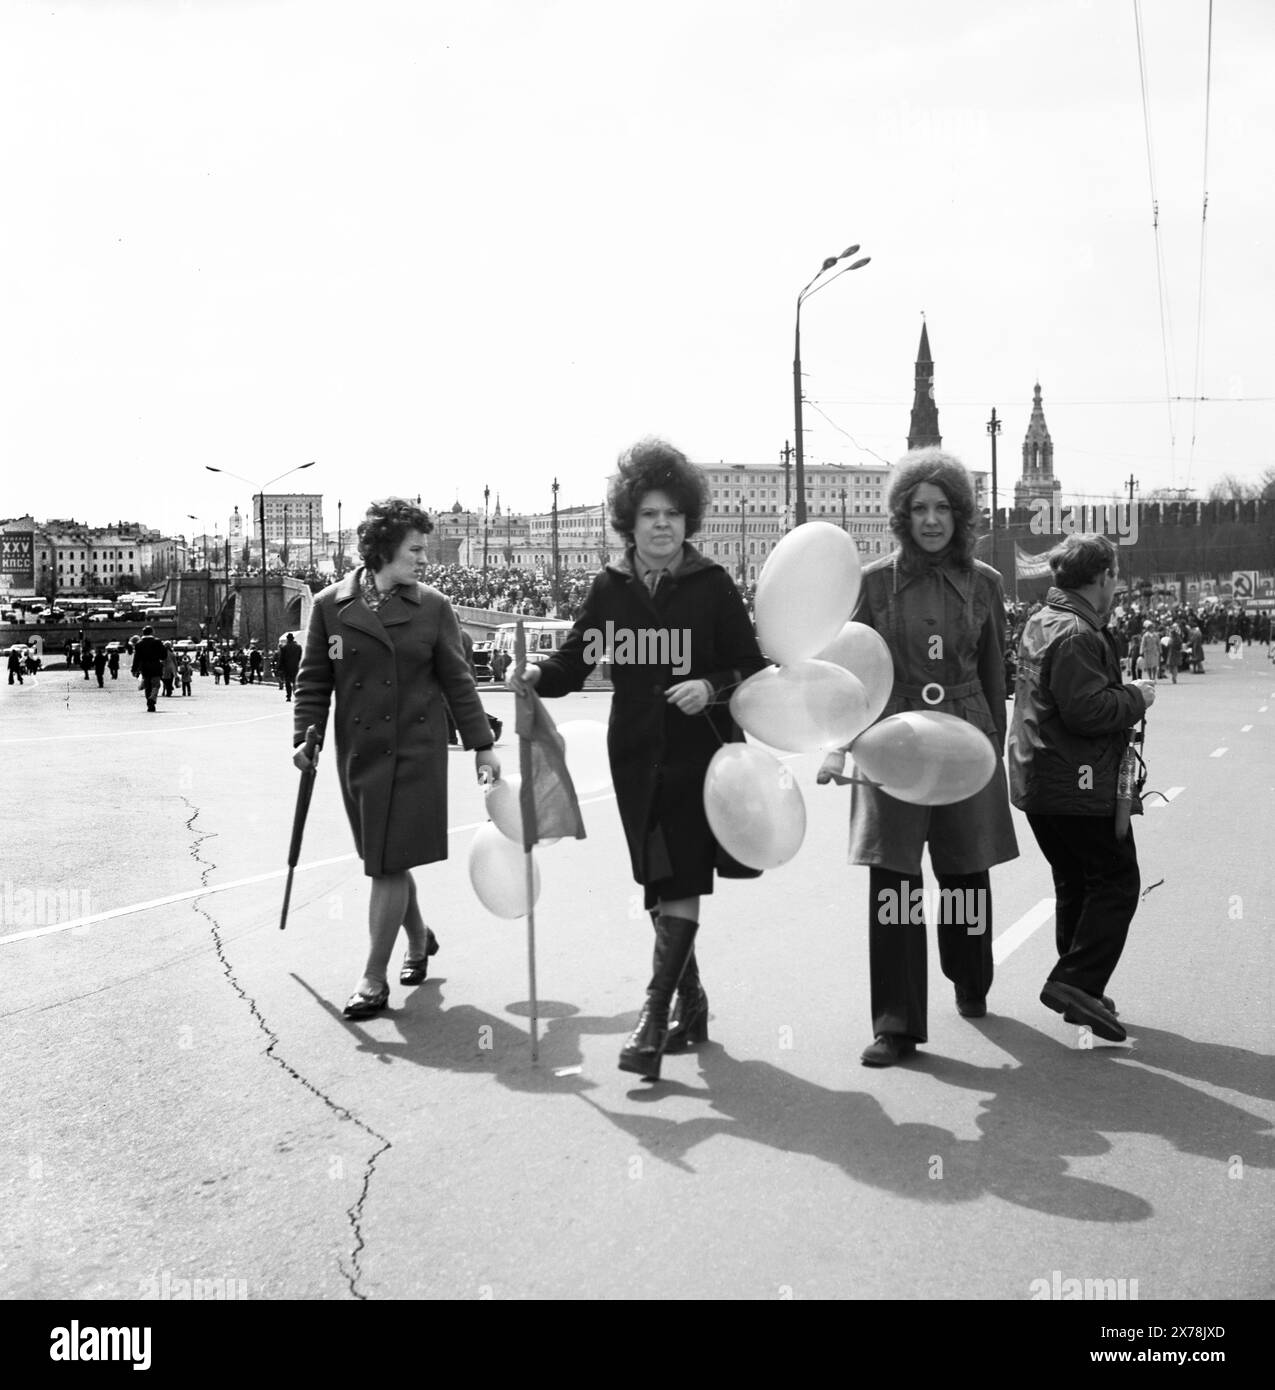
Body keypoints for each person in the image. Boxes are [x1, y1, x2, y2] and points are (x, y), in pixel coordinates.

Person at [514, 438, 767, 1081]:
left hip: (697, 756)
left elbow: (751, 667)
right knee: (657, 884)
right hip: (634, 756)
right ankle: (694, 1002)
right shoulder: (612, 588)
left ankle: (652, 1019)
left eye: (673, 515)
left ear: (689, 521)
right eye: (650, 514)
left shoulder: (712, 586)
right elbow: (576, 661)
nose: (662, 525)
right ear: (630, 520)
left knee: (680, 878)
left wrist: (711, 685)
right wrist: (534, 673)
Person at [818, 448, 1019, 1067]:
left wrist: (996, 753)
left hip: (964, 733)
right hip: (892, 741)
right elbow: (845, 673)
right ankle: (897, 1024)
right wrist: (836, 745)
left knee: (965, 869)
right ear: (901, 515)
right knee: (896, 881)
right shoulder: (874, 583)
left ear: (961, 513)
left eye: (943, 507)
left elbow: (993, 675)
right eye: (918, 507)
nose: (931, 519)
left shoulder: (985, 583)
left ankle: (969, 975)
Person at [292, 497, 499, 1019]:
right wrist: (304, 736)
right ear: (383, 549)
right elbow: (314, 680)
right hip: (359, 754)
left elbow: (459, 682)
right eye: (415, 548)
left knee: (387, 863)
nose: (425, 558)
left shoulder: (433, 607)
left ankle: (372, 977)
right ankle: (419, 937)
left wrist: (482, 745)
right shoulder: (328, 606)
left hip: (416, 752)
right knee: (387, 858)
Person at [1007, 534, 1155, 1042]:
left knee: (1075, 881)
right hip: (1076, 782)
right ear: (1103, 577)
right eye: (1115, 575)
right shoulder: (1077, 633)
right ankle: (1074, 981)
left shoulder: (1042, 620)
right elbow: (1087, 711)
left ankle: (1081, 986)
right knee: (1116, 882)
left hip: (1039, 779)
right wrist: (1136, 697)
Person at [130, 625, 167, 712]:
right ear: (152, 632)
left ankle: (149, 705)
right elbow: (164, 655)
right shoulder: (157, 642)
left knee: (147, 686)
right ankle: (152, 699)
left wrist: (134, 669)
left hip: (145, 668)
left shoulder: (139, 644)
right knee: (156, 685)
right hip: (155, 666)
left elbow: (136, 658)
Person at [277, 632, 302, 702]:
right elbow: (301, 657)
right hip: (296, 668)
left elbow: (281, 659)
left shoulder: (284, 648)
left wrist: (279, 668)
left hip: (287, 668)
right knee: (295, 682)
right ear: (293, 639)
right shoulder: (298, 647)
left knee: (288, 683)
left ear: (287, 639)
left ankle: (289, 696)